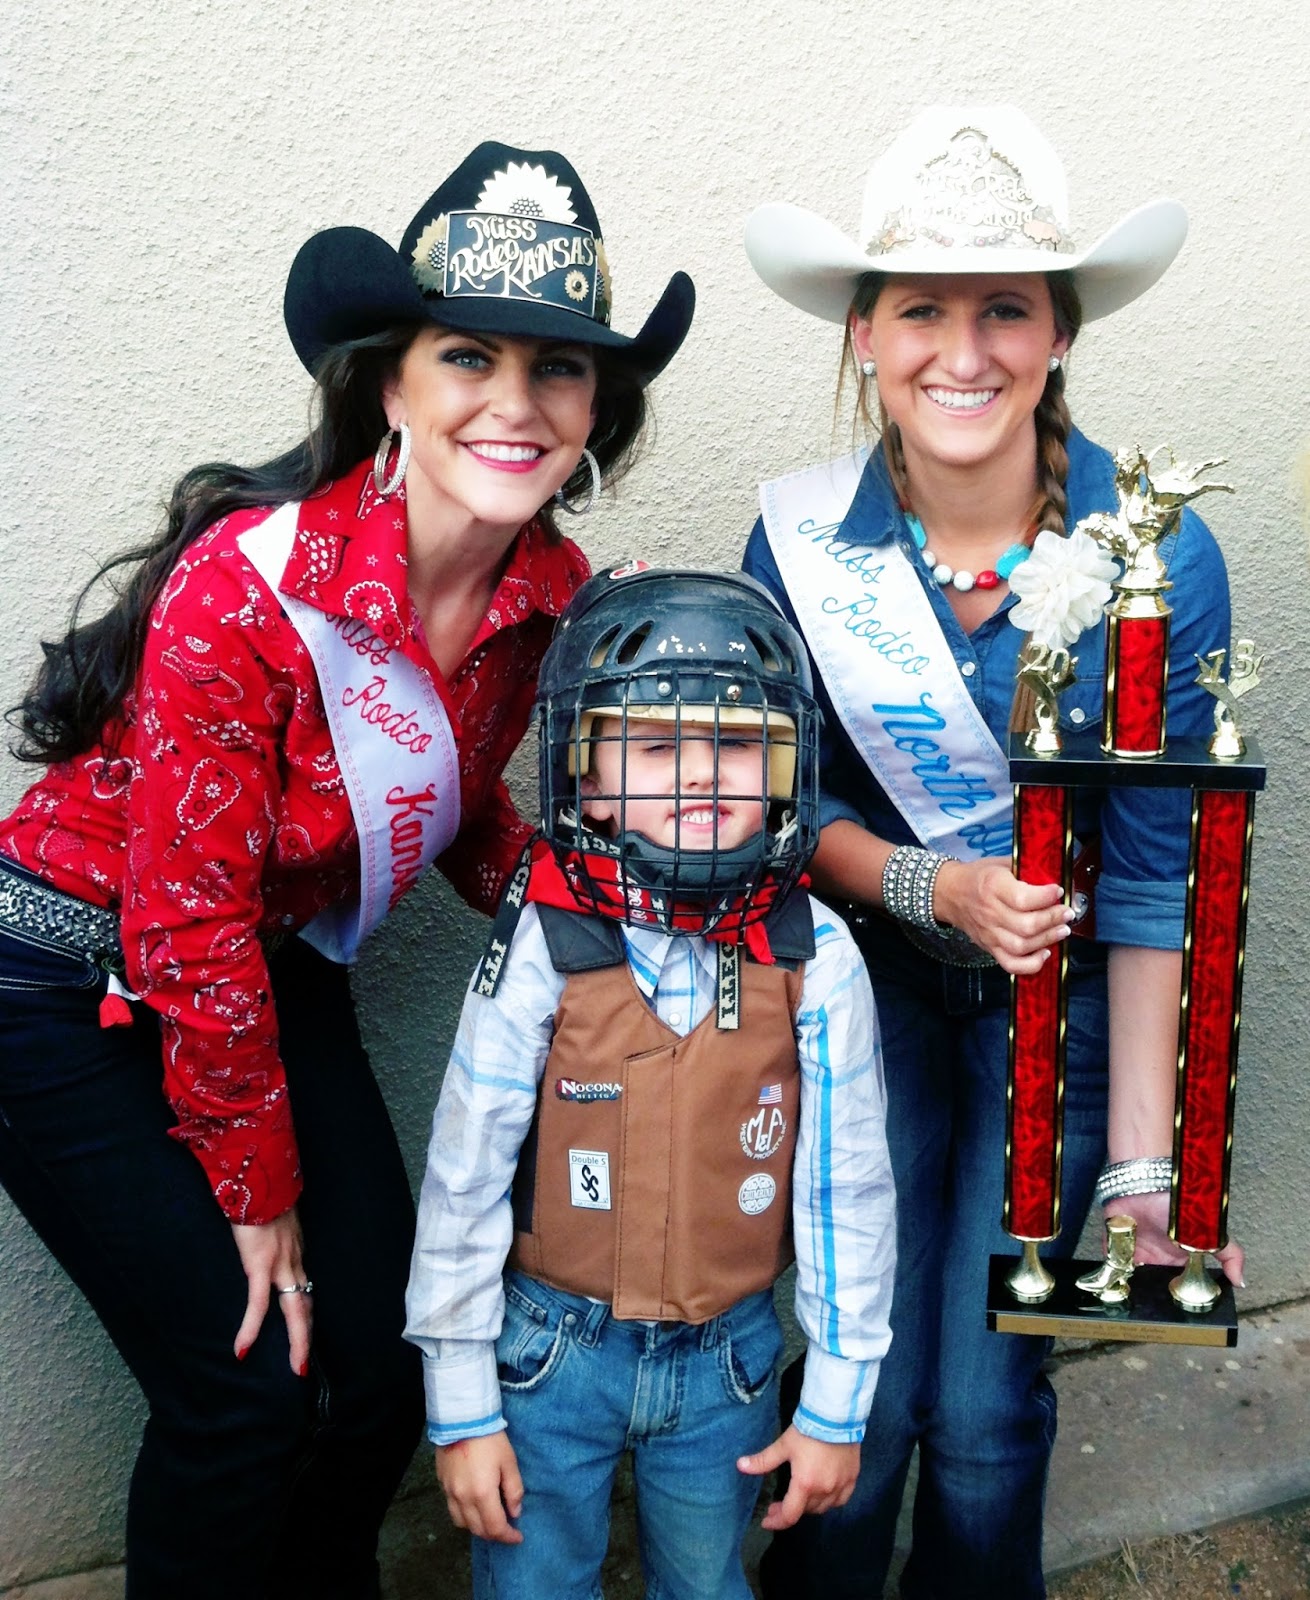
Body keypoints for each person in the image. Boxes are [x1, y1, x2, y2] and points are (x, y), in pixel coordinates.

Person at [0, 143, 693, 1600]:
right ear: (391, 384)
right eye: (467, 356)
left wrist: (629, 943)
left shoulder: (547, 595)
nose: (514, 402)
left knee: (384, 1370)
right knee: (246, 1392)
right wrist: (261, 1197)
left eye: (558, 370)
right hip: (62, 982)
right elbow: (180, 919)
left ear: (593, 413)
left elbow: (465, 813)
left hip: (253, 983)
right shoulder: (245, 585)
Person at [740, 106, 1244, 1599]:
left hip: (1072, 1018)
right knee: (863, 1388)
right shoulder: (799, 542)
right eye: (920, 311)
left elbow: (1153, 877)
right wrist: (927, 884)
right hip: (870, 1003)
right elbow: (777, 808)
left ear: (1058, 337)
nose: (961, 352)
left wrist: (1148, 1166)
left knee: (977, 1410)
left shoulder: (1159, 556)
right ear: (863, 334)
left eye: (1004, 309)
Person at [404, 564, 896, 1599]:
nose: (698, 777)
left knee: (708, 1586)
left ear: (784, 764)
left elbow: (844, 1193)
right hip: (545, 1354)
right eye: (658, 746)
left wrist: (834, 1404)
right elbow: (465, 1171)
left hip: (727, 1362)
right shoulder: (543, 934)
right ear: (581, 773)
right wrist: (460, 1406)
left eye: (731, 743)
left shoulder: (816, 954)